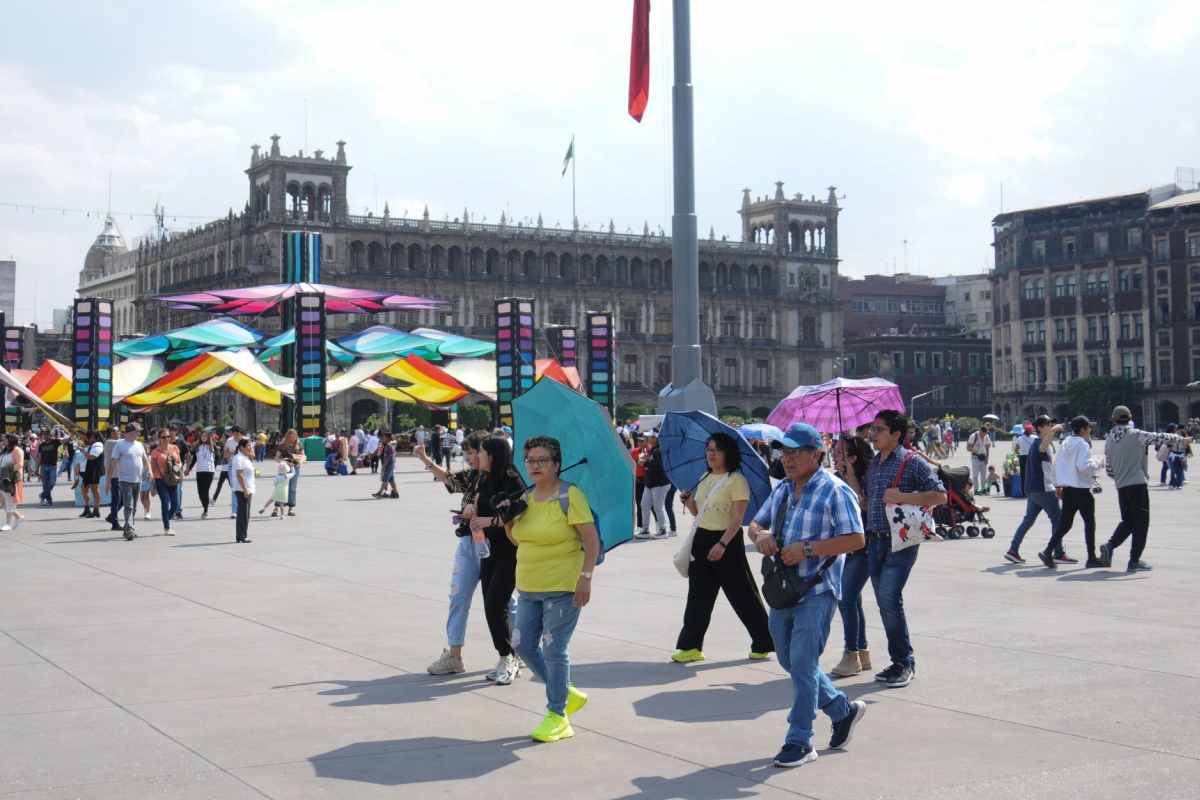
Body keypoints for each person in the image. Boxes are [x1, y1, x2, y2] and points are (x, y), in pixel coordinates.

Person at [747, 422, 868, 768]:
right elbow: (756, 524)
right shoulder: (784, 490)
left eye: (796, 452)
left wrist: (809, 549)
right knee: (790, 660)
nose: (788, 458)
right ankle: (841, 711)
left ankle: (800, 739)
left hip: (818, 589)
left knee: (801, 663)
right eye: (784, 451)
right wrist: (761, 537)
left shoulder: (834, 490)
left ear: (817, 453)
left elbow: (856, 539)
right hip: (784, 589)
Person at [504, 435, 600, 743]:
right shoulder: (526, 497)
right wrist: (507, 520)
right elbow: (519, 539)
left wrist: (585, 578)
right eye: (530, 460)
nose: (535, 466)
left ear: (557, 464)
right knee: (522, 645)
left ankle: (558, 715)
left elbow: (591, 541)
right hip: (529, 585)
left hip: (563, 585)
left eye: (542, 460)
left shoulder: (570, 496)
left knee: (554, 649)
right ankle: (565, 691)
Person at [672, 431, 774, 663]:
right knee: (698, 595)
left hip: (727, 542)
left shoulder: (736, 480)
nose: (711, 454)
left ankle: (763, 641)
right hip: (702, 539)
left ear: (728, 453)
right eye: (708, 449)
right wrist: (688, 501)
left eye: (716, 450)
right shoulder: (704, 477)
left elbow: (737, 519)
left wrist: (722, 544)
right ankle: (690, 646)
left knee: (742, 594)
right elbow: (700, 514)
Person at [864, 411, 947, 688]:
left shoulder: (912, 462)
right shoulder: (874, 463)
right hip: (874, 541)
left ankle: (904, 662)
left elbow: (940, 495)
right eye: (872, 429)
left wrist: (904, 496)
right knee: (884, 602)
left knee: (889, 598)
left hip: (900, 542)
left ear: (897, 434)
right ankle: (898, 660)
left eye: (879, 430)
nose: (872, 434)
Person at [418, 432, 488, 675]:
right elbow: (449, 480)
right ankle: (454, 655)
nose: (468, 457)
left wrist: (478, 510)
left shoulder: (504, 478)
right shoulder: (472, 477)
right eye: (466, 452)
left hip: (493, 547)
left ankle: (513, 650)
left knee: (502, 603)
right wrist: (425, 460)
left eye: (473, 452)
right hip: (468, 543)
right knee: (458, 599)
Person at [465, 435, 526, 685]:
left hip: (510, 551)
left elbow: (519, 510)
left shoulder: (512, 479)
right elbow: (479, 507)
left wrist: (490, 521)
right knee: (491, 606)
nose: (477, 456)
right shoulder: (483, 479)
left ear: (493, 455)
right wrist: (470, 512)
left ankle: (508, 657)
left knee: (495, 604)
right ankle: (507, 655)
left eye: (480, 452)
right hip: (487, 549)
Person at [1099, 405, 1190, 572]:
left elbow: (1110, 469)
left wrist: (1120, 477)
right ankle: (1134, 560)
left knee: (1128, 521)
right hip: (1138, 484)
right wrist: (1180, 440)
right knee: (1141, 523)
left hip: (1121, 486)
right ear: (1130, 417)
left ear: (1114, 419)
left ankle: (1110, 546)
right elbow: (1160, 437)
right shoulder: (1136, 434)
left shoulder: (1109, 439)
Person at [829, 435, 874, 678]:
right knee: (851, 599)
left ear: (854, 458)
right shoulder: (835, 479)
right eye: (834, 452)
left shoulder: (868, 478)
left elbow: (865, 506)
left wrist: (852, 477)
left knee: (845, 597)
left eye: (840, 454)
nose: (834, 457)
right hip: (844, 548)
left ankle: (851, 654)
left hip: (865, 547)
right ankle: (862, 653)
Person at [1005, 415, 1066, 568]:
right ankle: (1057, 552)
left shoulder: (1037, 442)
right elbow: (1043, 447)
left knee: (1028, 521)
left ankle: (1013, 550)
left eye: (1051, 424)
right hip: (1043, 490)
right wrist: (1055, 429)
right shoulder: (1039, 443)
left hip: (1033, 490)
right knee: (1058, 521)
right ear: (1039, 428)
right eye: (1047, 425)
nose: (1050, 426)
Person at [1049, 415, 1104, 568]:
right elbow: (1083, 467)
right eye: (1089, 427)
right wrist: (1098, 462)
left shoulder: (1066, 442)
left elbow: (1057, 463)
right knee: (1089, 523)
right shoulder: (1082, 444)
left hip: (1068, 489)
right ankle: (1091, 557)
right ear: (1083, 429)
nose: (1090, 430)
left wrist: (1058, 483)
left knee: (1064, 525)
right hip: (1081, 489)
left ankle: (1048, 551)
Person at [108, 423, 152, 540]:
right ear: (130, 432)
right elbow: (113, 462)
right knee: (128, 505)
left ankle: (128, 528)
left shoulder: (139, 445)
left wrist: (150, 471)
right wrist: (109, 479)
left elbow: (145, 460)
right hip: (124, 480)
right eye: (137, 431)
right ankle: (129, 530)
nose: (139, 433)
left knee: (134, 506)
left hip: (138, 480)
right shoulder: (120, 444)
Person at [635, 431, 671, 539]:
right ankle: (645, 530)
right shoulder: (652, 450)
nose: (648, 438)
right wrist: (645, 459)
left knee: (657, 507)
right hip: (650, 483)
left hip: (660, 484)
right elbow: (649, 461)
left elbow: (658, 466)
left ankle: (663, 529)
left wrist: (644, 462)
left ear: (656, 438)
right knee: (644, 505)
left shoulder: (660, 450)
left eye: (650, 437)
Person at [149, 430, 182, 536]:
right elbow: (153, 470)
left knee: (175, 504)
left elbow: (178, 462)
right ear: (159, 438)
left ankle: (166, 518)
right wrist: (153, 486)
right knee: (165, 502)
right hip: (161, 480)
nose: (166, 438)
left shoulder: (175, 448)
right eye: (163, 437)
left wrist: (179, 471)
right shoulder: (155, 452)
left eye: (168, 436)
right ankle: (167, 527)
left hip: (173, 479)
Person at [230, 437, 255, 543]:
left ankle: (240, 535)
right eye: (248, 446)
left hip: (247, 488)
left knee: (244, 513)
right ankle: (242, 536)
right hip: (242, 489)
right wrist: (245, 489)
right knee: (243, 513)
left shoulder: (245, 457)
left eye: (251, 445)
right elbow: (239, 475)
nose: (250, 447)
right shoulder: (239, 458)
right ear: (241, 447)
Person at [188, 431, 218, 519]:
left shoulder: (212, 446)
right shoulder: (197, 446)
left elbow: (218, 456)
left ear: (208, 437)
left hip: (209, 471)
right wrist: (189, 469)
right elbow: (194, 459)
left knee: (205, 490)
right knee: (200, 492)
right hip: (199, 471)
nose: (203, 437)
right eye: (202, 436)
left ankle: (205, 510)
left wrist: (214, 466)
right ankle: (205, 505)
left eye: (205, 436)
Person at [276, 428, 305, 516]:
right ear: (287, 436)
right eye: (290, 437)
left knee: (292, 488)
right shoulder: (282, 445)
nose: (292, 439)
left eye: (294, 437)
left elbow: (303, 456)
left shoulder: (299, 444)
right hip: (284, 469)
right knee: (281, 488)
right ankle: (277, 507)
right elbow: (276, 458)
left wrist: (300, 460)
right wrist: (284, 461)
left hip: (295, 468)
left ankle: (291, 508)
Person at [0, 434, 24, 531]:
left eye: (5, 439)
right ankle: (19, 517)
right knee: (4, 501)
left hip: (12, 479)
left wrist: (7, 470)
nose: (3, 441)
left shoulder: (18, 450)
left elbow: (20, 464)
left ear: (11, 440)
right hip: (3, 478)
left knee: (9, 500)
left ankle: (8, 524)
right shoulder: (5, 450)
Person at [81, 432, 104, 518]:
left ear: (95, 438)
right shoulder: (94, 445)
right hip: (90, 470)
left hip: (94, 470)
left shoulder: (98, 445)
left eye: (91, 437)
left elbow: (91, 457)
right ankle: (88, 509)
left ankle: (96, 510)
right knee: (84, 489)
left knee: (94, 490)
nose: (89, 439)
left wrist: (83, 452)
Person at [262, 452, 293, 517]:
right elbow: (292, 473)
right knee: (281, 503)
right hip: (284, 490)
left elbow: (275, 483)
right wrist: (292, 467)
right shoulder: (286, 475)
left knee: (271, 499)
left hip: (276, 489)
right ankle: (282, 515)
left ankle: (264, 507)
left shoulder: (278, 475)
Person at [966, 422, 993, 495]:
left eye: (985, 434)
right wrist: (975, 451)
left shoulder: (986, 436)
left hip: (983, 457)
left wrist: (987, 458)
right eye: (982, 434)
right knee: (975, 475)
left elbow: (987, 447)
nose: (983, 436)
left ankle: (983, 489)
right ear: (980, 431)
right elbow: (968, 448)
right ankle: (976, 490)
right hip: (975, 457)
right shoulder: (973, 436)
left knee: (983, 475)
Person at [371, 432, 397, 498]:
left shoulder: (390, 444)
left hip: (388, 462)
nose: (382, 438)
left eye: (383, 437)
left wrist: (384, 466)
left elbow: (389, 456)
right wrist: (373, 455)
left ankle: (380, 492)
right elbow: (379, 451)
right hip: (387, 461)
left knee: (385, 478)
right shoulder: (383, 443)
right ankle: (395, 493)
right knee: (391, 479)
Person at [37, 432, 60, 506]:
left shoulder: (55, 442)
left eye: (48, 435)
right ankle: (49, 500)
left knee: (52, 482)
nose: (46, 436)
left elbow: (66, 439)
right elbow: (40, 457)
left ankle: (43, 495)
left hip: (53, 466)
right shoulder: (41, 445)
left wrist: (60, 430)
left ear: (51, 435)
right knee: (45, 484)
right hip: (43, 466)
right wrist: (38, 469)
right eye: (45, 435)